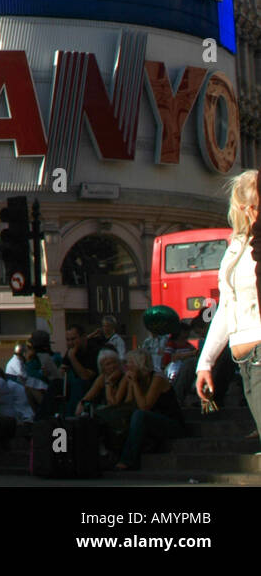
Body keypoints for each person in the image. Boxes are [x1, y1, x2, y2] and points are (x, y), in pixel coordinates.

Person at [197, 169, 261, 439]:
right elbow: (225, 308)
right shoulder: (236, 247)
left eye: (255, 206)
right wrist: (205, 362)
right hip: (244, 360)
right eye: (250, 207)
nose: (251, 212)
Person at [115, 348, 184, 470]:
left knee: (140, 415)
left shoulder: (157, 378)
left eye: (129, 362)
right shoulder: (136, 378)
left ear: (139, 363)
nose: (126, 366)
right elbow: (129, 402)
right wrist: (130, 383)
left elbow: (144, 406)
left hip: (172, 423)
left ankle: (128, 460)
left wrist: (135, 383)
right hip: (152, 422)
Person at [61, 324, 100, 413]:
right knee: (55, 384)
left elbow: (86, 376)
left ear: (83, 337)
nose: (70, 343)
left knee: (78, 383)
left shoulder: (94, 351)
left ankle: (70, 417)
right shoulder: (70, 350)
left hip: (91, 386)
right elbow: (62, 369)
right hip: (72, 384)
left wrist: (72, 358)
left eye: (73, 339)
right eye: (68, 340)